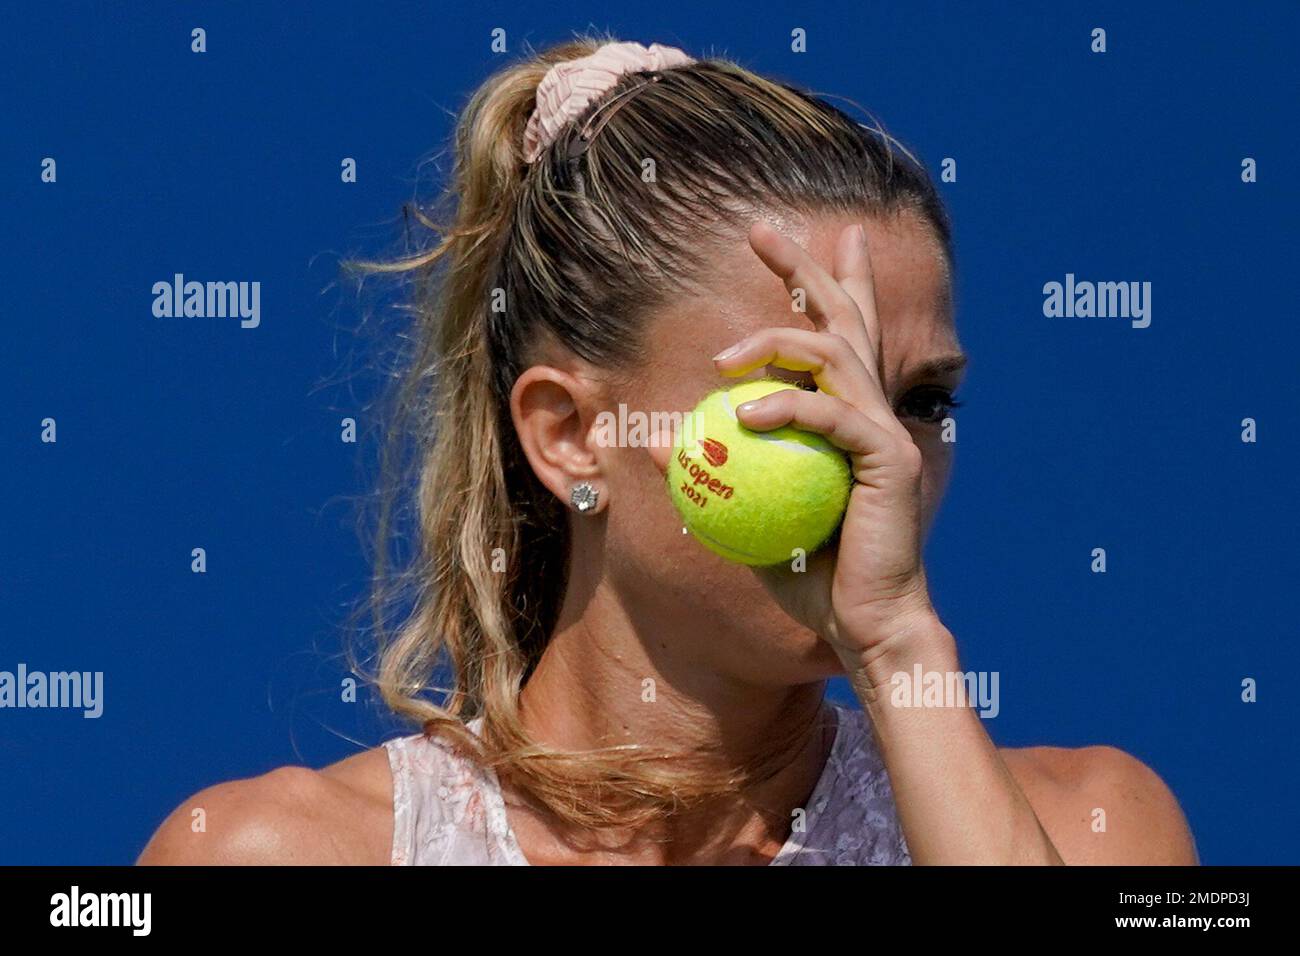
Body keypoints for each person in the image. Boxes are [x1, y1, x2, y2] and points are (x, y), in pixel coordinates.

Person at [139, 38, 1197, 866]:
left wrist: (902, 654)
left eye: (919, 402)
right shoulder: (281, 850)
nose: (886, 463)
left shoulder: (1096, 826)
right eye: (802, 394)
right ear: (569, 433)